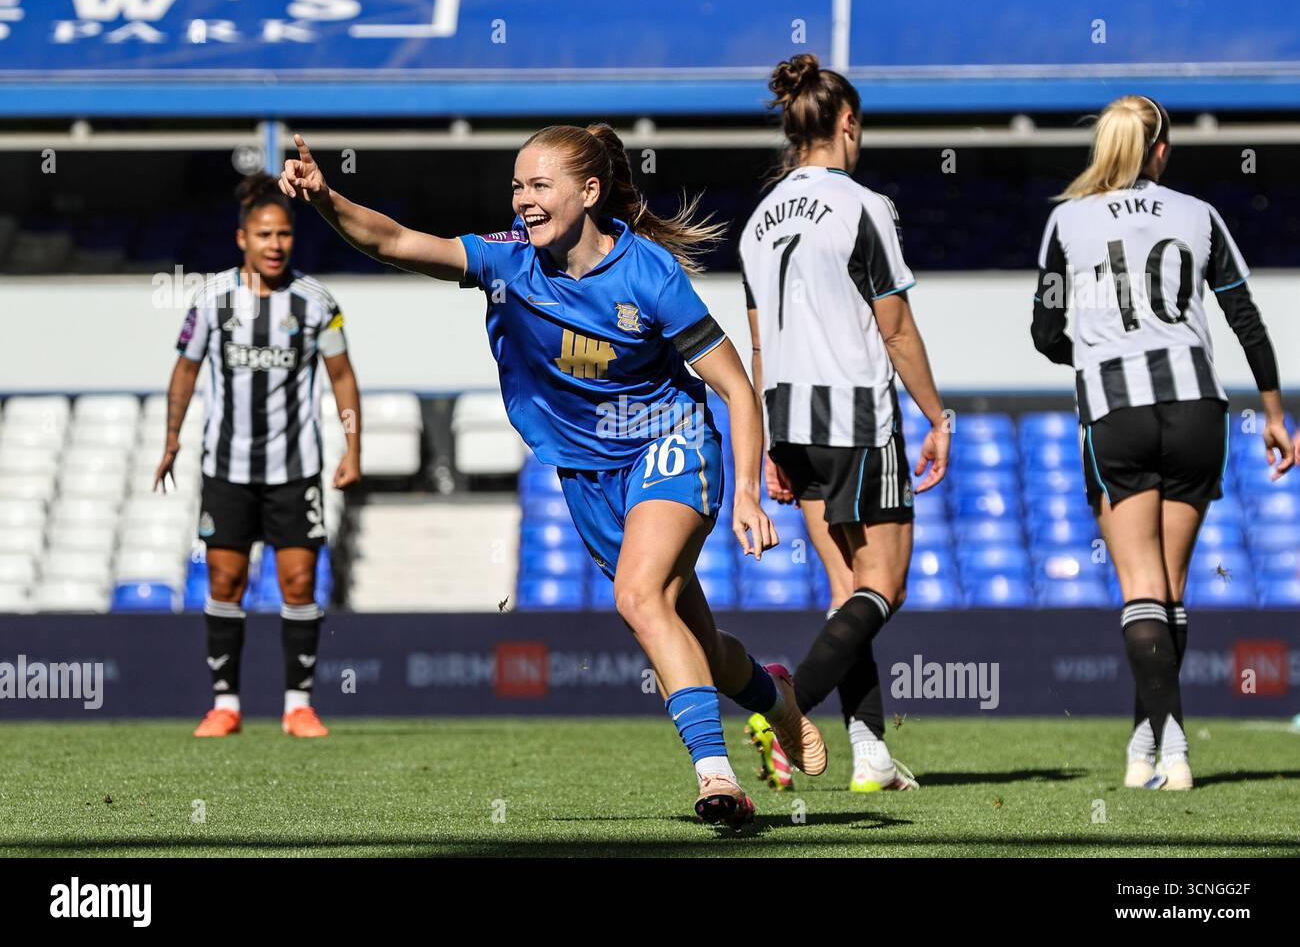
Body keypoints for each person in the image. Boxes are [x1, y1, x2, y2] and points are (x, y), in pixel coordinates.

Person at [279, 123, 827, 829]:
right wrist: (326, 198)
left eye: (540, 185)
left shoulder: (649, 274)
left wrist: (748, 489)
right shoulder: (506, 261)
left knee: (637, 596)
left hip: (669, 444)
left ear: (589, 192)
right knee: (696, 642)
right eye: (516, 186)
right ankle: (774, 697)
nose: (523, 200)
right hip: (586, 474)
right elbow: (393, 240)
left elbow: (735, 387)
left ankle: (715, 776)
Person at [1031, 95, 1294, 789]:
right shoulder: (1198, 214)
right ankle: (1144, 749)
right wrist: (1274, 413)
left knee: (1142, 588)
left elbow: (1044, 333)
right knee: (1171, 590)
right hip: (1197, 409)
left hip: (1117, 410)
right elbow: (1246, 318)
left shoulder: (1067, 220)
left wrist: (1091, 350)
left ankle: (1171, 747)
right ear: (1162, 149)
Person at [739, 54, 949, 793]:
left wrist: (766, 440)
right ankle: (786, 700)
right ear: (846, 124)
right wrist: (937, 416)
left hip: (789, 417)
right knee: (883, 587)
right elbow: (895, 330)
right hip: (855, 412)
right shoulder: (864, 206)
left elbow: (760, 343)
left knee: (845, 594)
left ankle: (871, 757)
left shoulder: (759, 222)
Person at [155, 174, 363, 739]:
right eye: (264, 234)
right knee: (225, 583)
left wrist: (353, 446)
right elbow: (184, 371)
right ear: (242, 238)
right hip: (226, 469)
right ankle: (225, 703)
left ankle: (298, 705)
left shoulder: (317, 303)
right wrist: (172, 438)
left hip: (295, 472)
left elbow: (341, 377)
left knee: (299, 584)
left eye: (285, 235)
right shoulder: (210, 300)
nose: (275, 244)